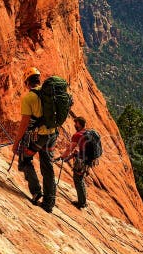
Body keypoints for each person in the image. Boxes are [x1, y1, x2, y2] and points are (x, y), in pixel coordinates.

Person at [12, 67, 59, 213]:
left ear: (27, 82)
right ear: (39, 79)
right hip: (52, 135)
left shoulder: (29, 98)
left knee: (25, 160)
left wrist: (16, 142)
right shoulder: (49, 94)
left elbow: (24, 123)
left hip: (39, 137)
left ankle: (36, 192)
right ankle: (49, 202)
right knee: (47, 167)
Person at [58, 117, 90, 209]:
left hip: (81, 161)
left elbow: (70, 149)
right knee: (80, 179)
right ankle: (83, 201)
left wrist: (62, 156)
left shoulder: (77, 135)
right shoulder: (87, 133)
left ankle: (81, 202)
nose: (74, 125)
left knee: (78, 179)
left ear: (79, 124)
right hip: (88, 160)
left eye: (76, 123)